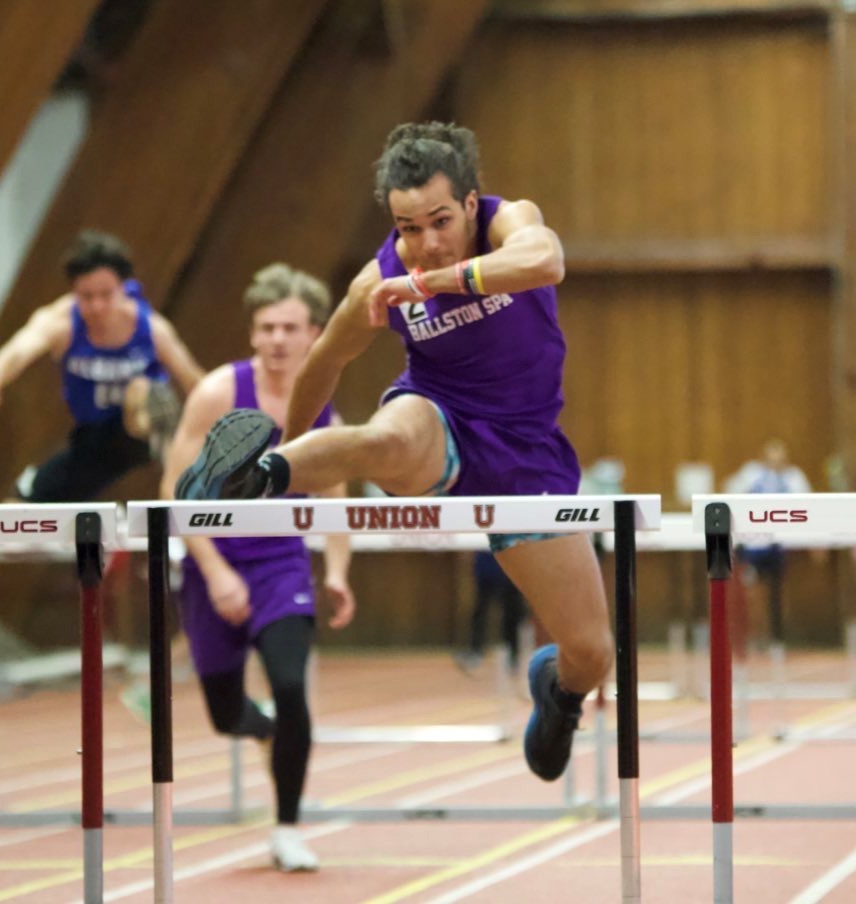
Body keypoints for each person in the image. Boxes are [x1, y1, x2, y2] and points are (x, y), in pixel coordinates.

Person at [175, 121, 611, 784]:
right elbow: (324, 361)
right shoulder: (378, 280)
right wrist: (288, 448)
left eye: (440, 221)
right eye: (408, 228)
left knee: (592, 653)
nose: (426, 243)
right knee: (387, 438)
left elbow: (544, 261)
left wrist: (432, 285)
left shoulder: (508, 222)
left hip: (527, 453)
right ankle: (257, 475)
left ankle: (560, 694)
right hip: (438, 416)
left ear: (470, 204)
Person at [161, 263, 355, 871]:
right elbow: (174, 491)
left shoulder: (321, 404)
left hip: (280, 563)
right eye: (266, 327)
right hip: (212, 559)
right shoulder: (219, 394)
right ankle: (268, 731)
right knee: (225, 716)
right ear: (252, 333)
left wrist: (337, 572)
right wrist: (215, 571)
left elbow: (336, 498)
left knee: (291, 688)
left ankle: (288, 829)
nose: (276, 339)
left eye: (289, 328)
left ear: (314, 333)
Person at [0, 230, 203, 501]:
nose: (97, 306)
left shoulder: (151, 328)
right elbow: (21, 348)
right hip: (92, 440)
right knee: (19, 503)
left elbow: (195, 382)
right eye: (86, 296)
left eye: (106, 295)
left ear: (124, 288)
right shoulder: (62, 322)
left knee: (142, 390)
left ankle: (173, 465)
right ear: (73, 292)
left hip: (140, 429)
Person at [724, 439, 812, 651]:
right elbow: (729, 490)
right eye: (771, 459)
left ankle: (777, 636)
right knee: (753, 592)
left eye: (779, 460)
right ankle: (756, 634)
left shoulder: (794, 477)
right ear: (763, 458)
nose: (775, 463)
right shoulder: (751, 473)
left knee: (778, 592)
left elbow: (809, 506)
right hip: (753, 544)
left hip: (780, 545)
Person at [454, 551, 527, 677]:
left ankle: (512, 657)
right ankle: (475, 652)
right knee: (480, 612)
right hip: (487, 564)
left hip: (509, 564)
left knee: (511, 615)